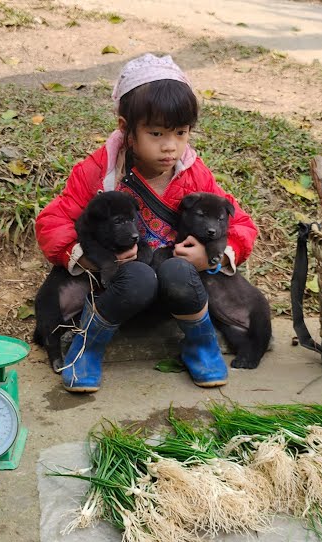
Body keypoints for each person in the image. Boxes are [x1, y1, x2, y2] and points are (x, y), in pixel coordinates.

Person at [35, 53, 258, 393]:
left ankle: (200, 344)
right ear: (127, 128)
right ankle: (87, 346)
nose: (170, 146)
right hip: (119, 286)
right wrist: (89, 257)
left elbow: (240, 223)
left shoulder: (195, 175)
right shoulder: (98, 173)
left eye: (181, 133)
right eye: (156, 133)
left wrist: (211, 254)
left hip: (175, 287)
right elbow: (53, 221)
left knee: (178, 271)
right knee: (138, 275)